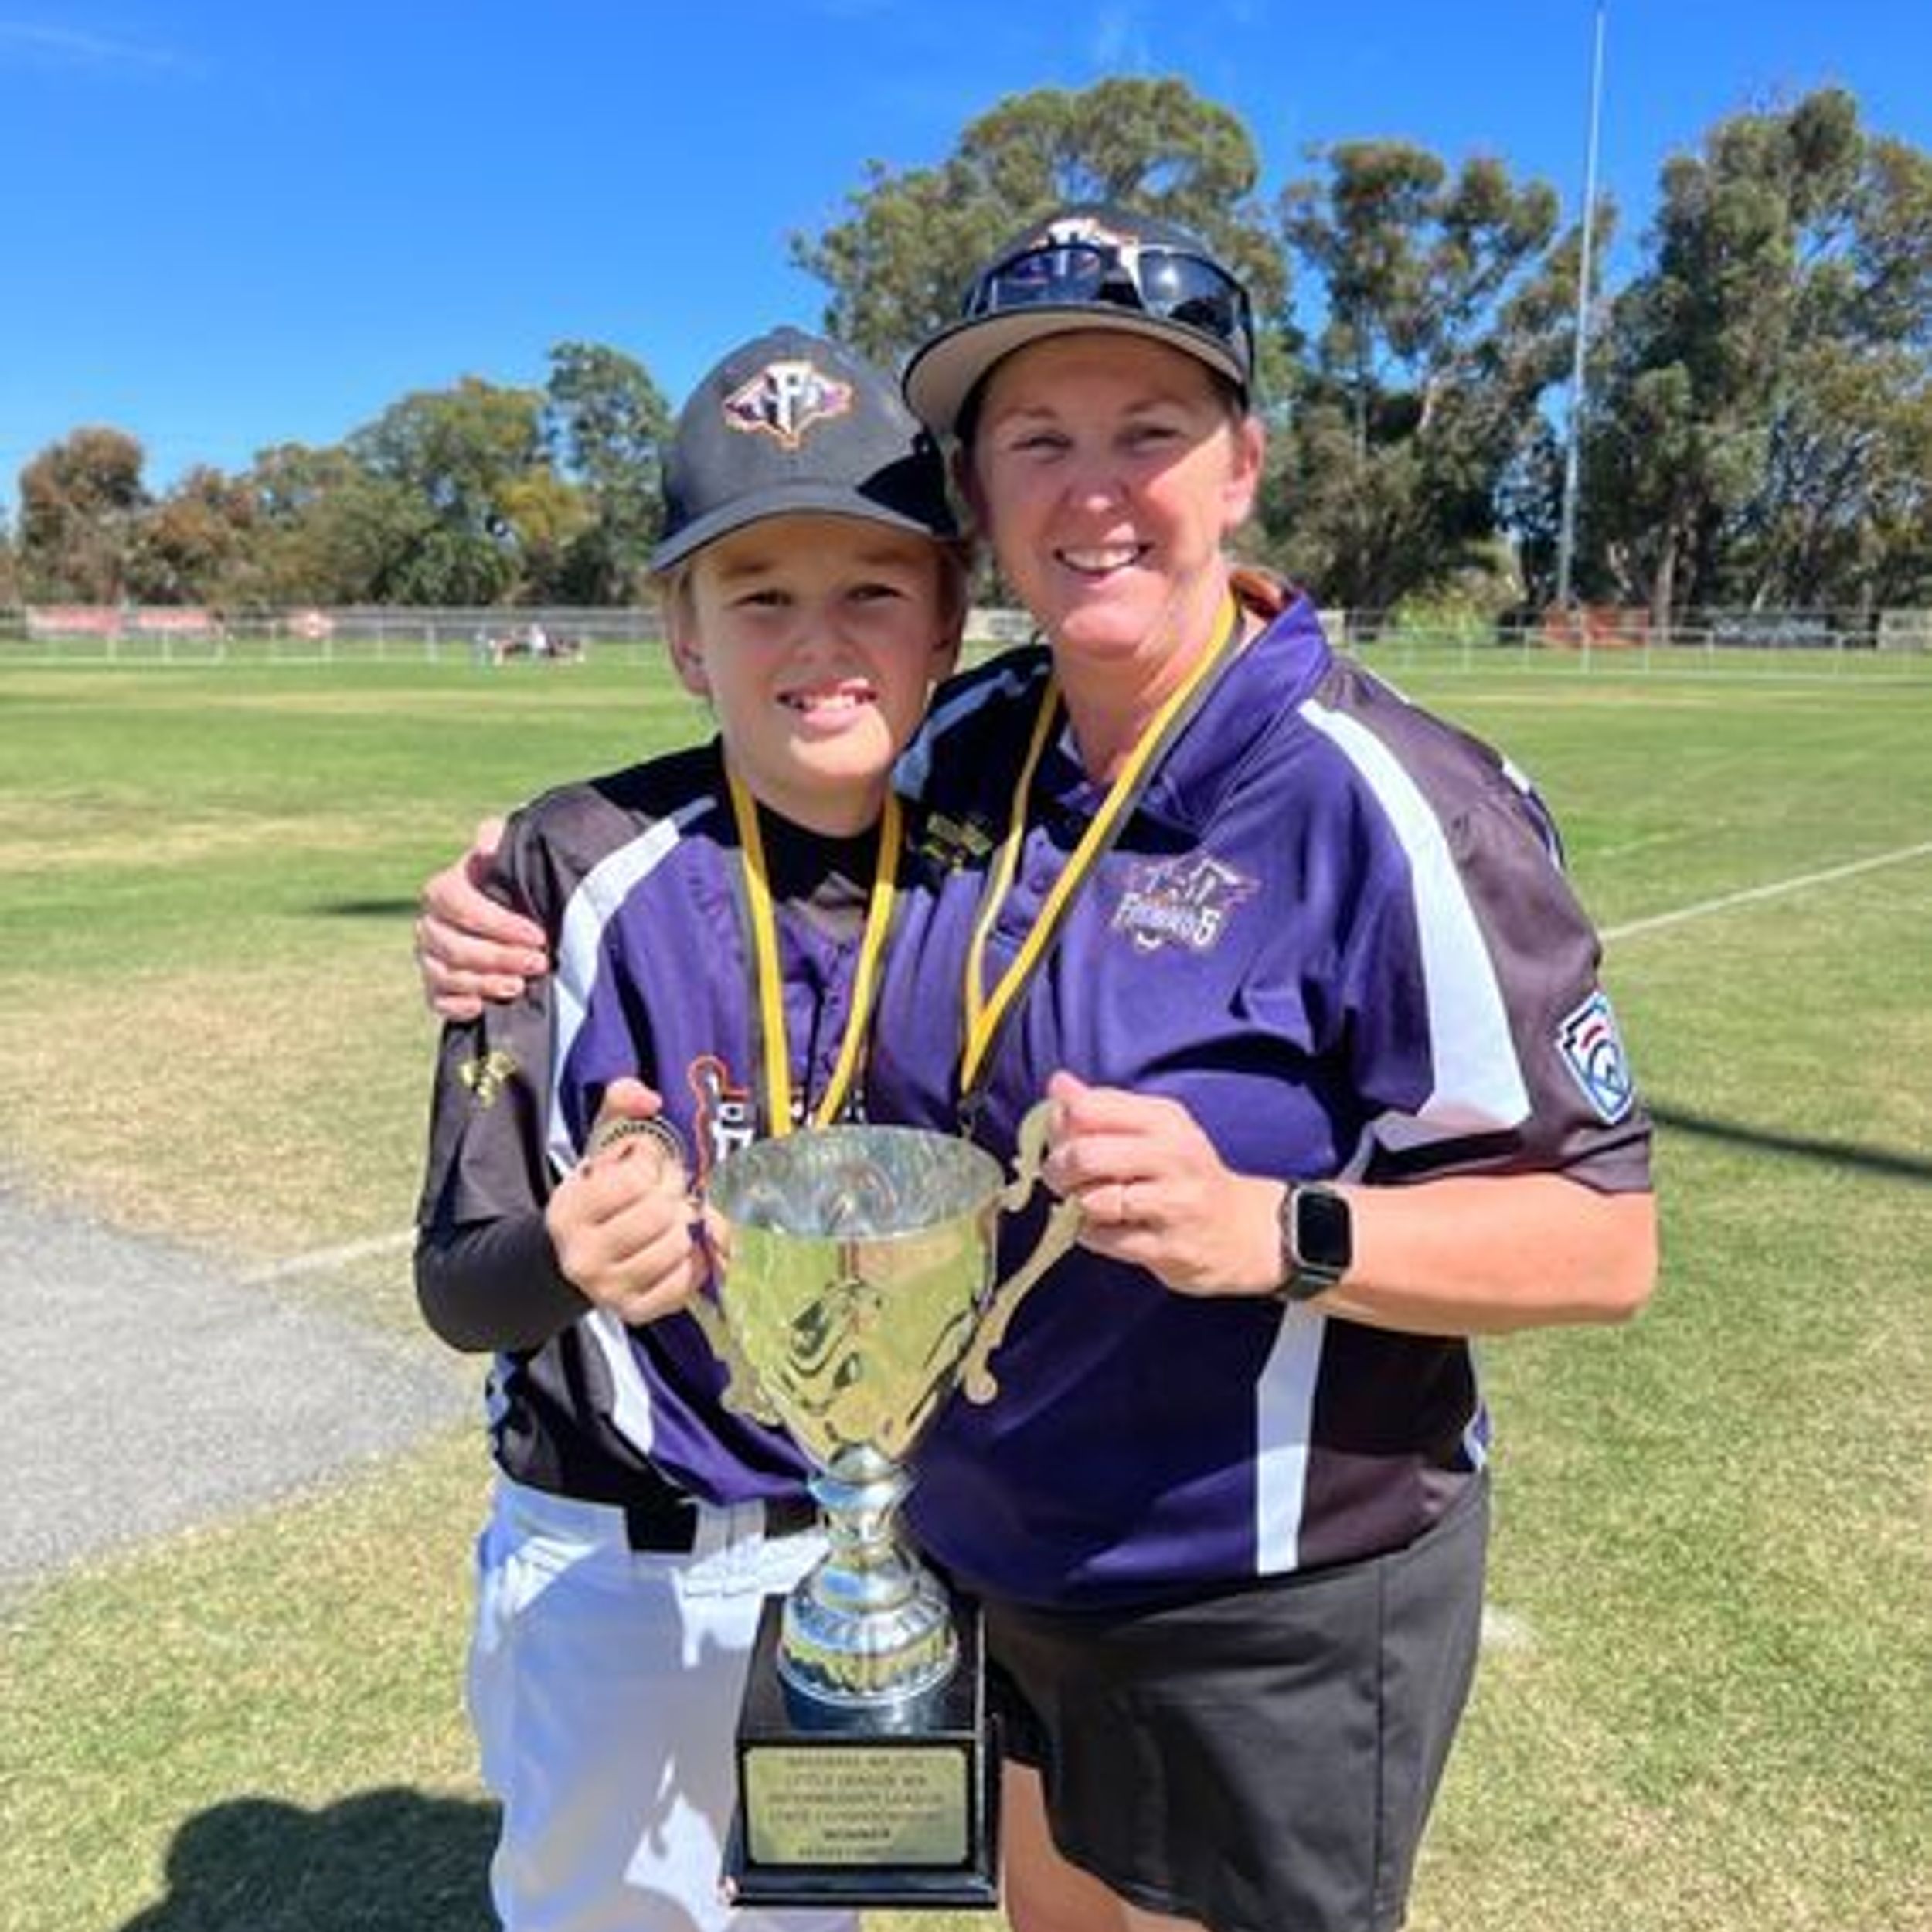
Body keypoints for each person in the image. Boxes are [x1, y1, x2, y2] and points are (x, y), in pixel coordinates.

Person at [417, 204, 1658, 1932]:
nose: (1091, 488)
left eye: (1146, 431)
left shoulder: (1381, 797)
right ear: (980, 500)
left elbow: (1602, 1242)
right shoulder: (969, 740)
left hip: (1260, 1600)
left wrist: (1274, 1230)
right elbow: (761, 745)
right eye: (1034, 440)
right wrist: (506, 881)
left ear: (1239, 464)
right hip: (989, 1557)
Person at [414, 323, 967, 1932]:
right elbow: (461, 1284)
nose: (821, 641)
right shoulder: (558, 869)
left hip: (869, 1561)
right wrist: (569, 1253)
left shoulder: (999, 867)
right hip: (616, 1567)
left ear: (943, 620)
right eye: (757, 594)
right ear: (679, 632)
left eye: (872, 586)